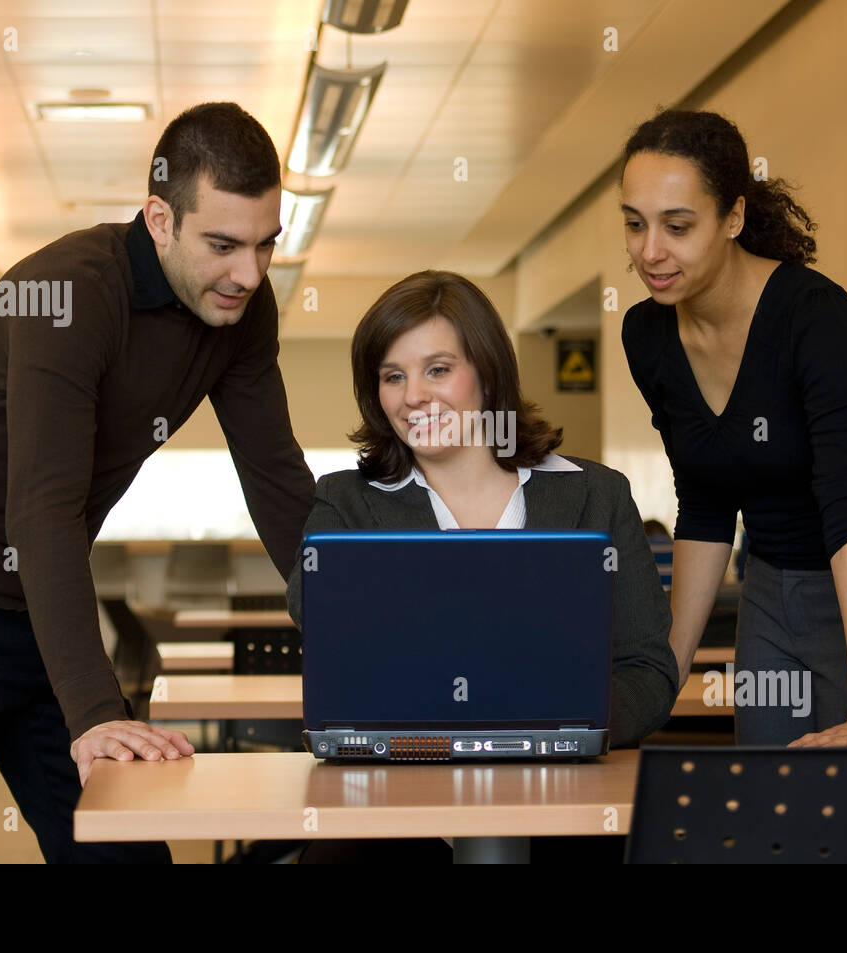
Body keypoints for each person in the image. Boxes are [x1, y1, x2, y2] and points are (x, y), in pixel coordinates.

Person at [0, 102, 316, 863]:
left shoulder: (242, 310)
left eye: (267, 244)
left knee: (123, 853)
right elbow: (44, 510)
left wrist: (363, 628)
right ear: (159, 218)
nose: (249, 273)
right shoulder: (69, 294)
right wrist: (97, 712)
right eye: (224, 245)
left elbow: (278, 479)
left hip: (35, 605)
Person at [286, 269, 678, 863]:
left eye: (437, 369)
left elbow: (648, 669)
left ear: (488, 373)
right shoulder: (347, 500)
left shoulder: (595, 494)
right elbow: (316, 618)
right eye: (394, 376)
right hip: (396, 805)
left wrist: (554, 733)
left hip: (565, 797)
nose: (414, 395)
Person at [619, 109, 847, 748]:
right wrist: (660, 682)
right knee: (770, 818)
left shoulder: (815, 317)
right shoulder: (648, 333)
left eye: (678, 226)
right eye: (635, 224)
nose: (650, 251)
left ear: (734, 219)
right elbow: (705, 505)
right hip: (773, 587)